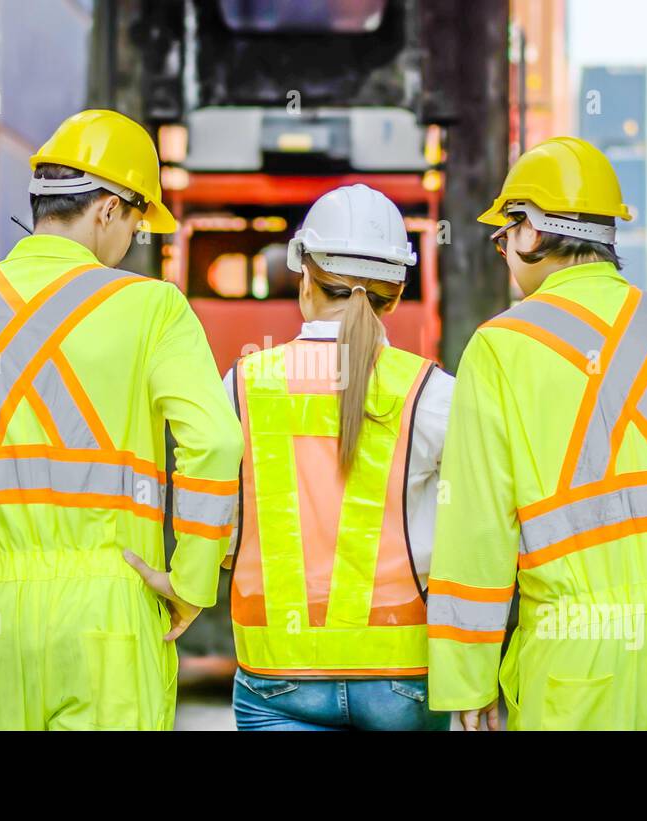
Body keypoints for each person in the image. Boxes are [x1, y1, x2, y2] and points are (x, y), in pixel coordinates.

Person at [426, 136, 647, 731]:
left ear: (531, 232)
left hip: (579, 661)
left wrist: (470, 677)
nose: (503, 251)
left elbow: (476, 528)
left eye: (503, 237)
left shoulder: (501, 347)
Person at [0, 109, 243, 730]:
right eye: (135, 222)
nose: (132, 241)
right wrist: (190, 580)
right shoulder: (151, 306)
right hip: (107, 610)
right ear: (107, 209)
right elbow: (215, 441)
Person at [222, 184, 454, 731]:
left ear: (303, 278)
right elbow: (477, 520)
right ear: (395, 294)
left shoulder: (244, 383)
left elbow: (219, 523)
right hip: (402, 674)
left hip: (278, 670)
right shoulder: (432, 392)